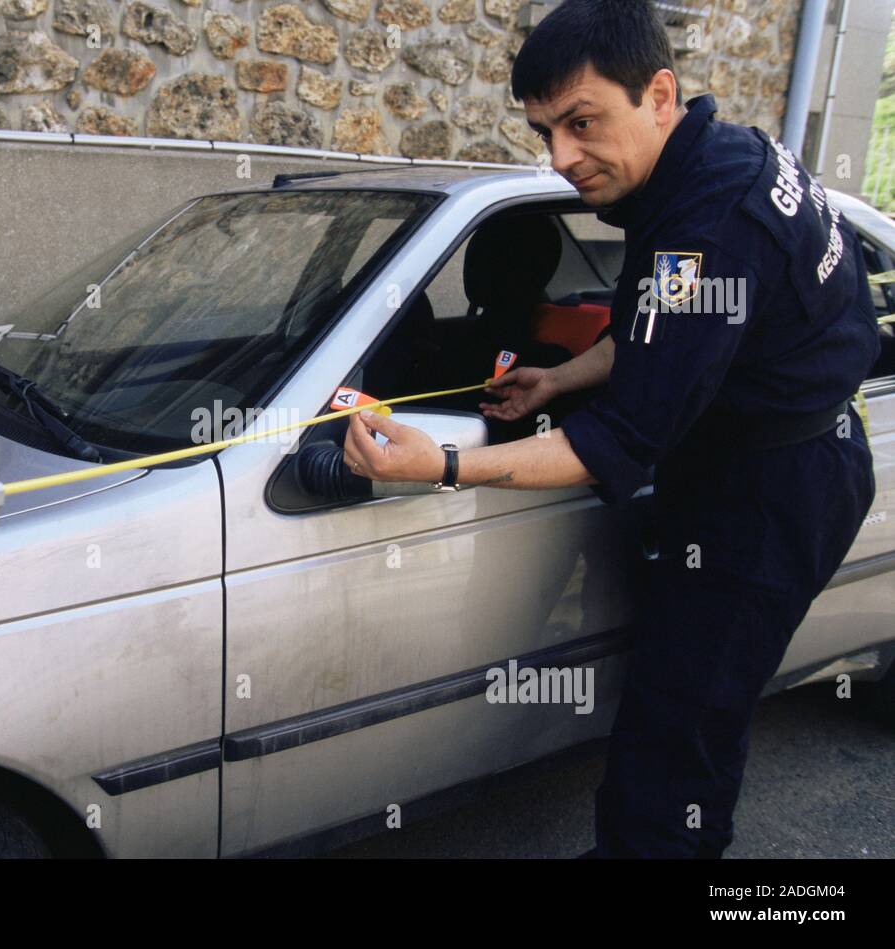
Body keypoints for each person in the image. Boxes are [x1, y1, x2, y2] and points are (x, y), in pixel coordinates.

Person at [339, 0, 881, 857]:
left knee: (682, 731)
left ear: (659, 94)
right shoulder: (718, 158)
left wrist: (439, 463)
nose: (560, 158)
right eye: (545, 131)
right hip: (773, 454)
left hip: (773, 492)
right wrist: (559, 374)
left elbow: (614, 444)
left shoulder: (707, 230)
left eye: (582, 123)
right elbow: (663, 334)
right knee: (671, 694)